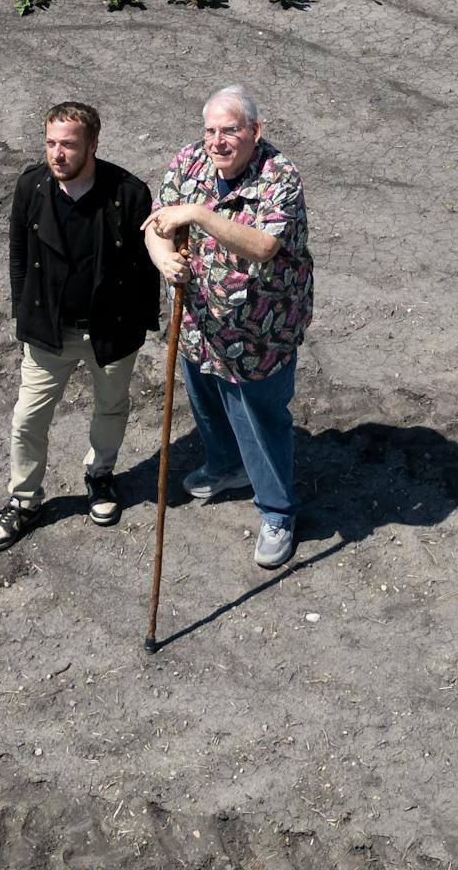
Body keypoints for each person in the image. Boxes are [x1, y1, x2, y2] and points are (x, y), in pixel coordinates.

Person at [144, 84, 313, 571]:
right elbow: (159, 225)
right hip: (199, 320)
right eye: (211, 130)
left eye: (230, 130)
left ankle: (278, 512)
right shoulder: (189, 160)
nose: (217, 141)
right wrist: (164, 262)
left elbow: (262, 247)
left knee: (260, 419)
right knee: (207, 402)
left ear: (255, 132)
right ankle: (226, 466)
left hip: (262, 330)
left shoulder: (280, 176)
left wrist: (199, 213)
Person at [0, 100, 159, 553]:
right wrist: (26, 314)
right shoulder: (31, 187)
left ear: (93, 145)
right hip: (49, 331)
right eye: (51, 143)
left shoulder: (129, 193)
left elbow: (145, 269)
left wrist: (140, 324)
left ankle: (100, 476)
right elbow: (19, 255)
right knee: (28, 417)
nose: (57, 154)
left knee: (111, 408)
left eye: (68, 145)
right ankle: (24, 500)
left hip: (111, 332)